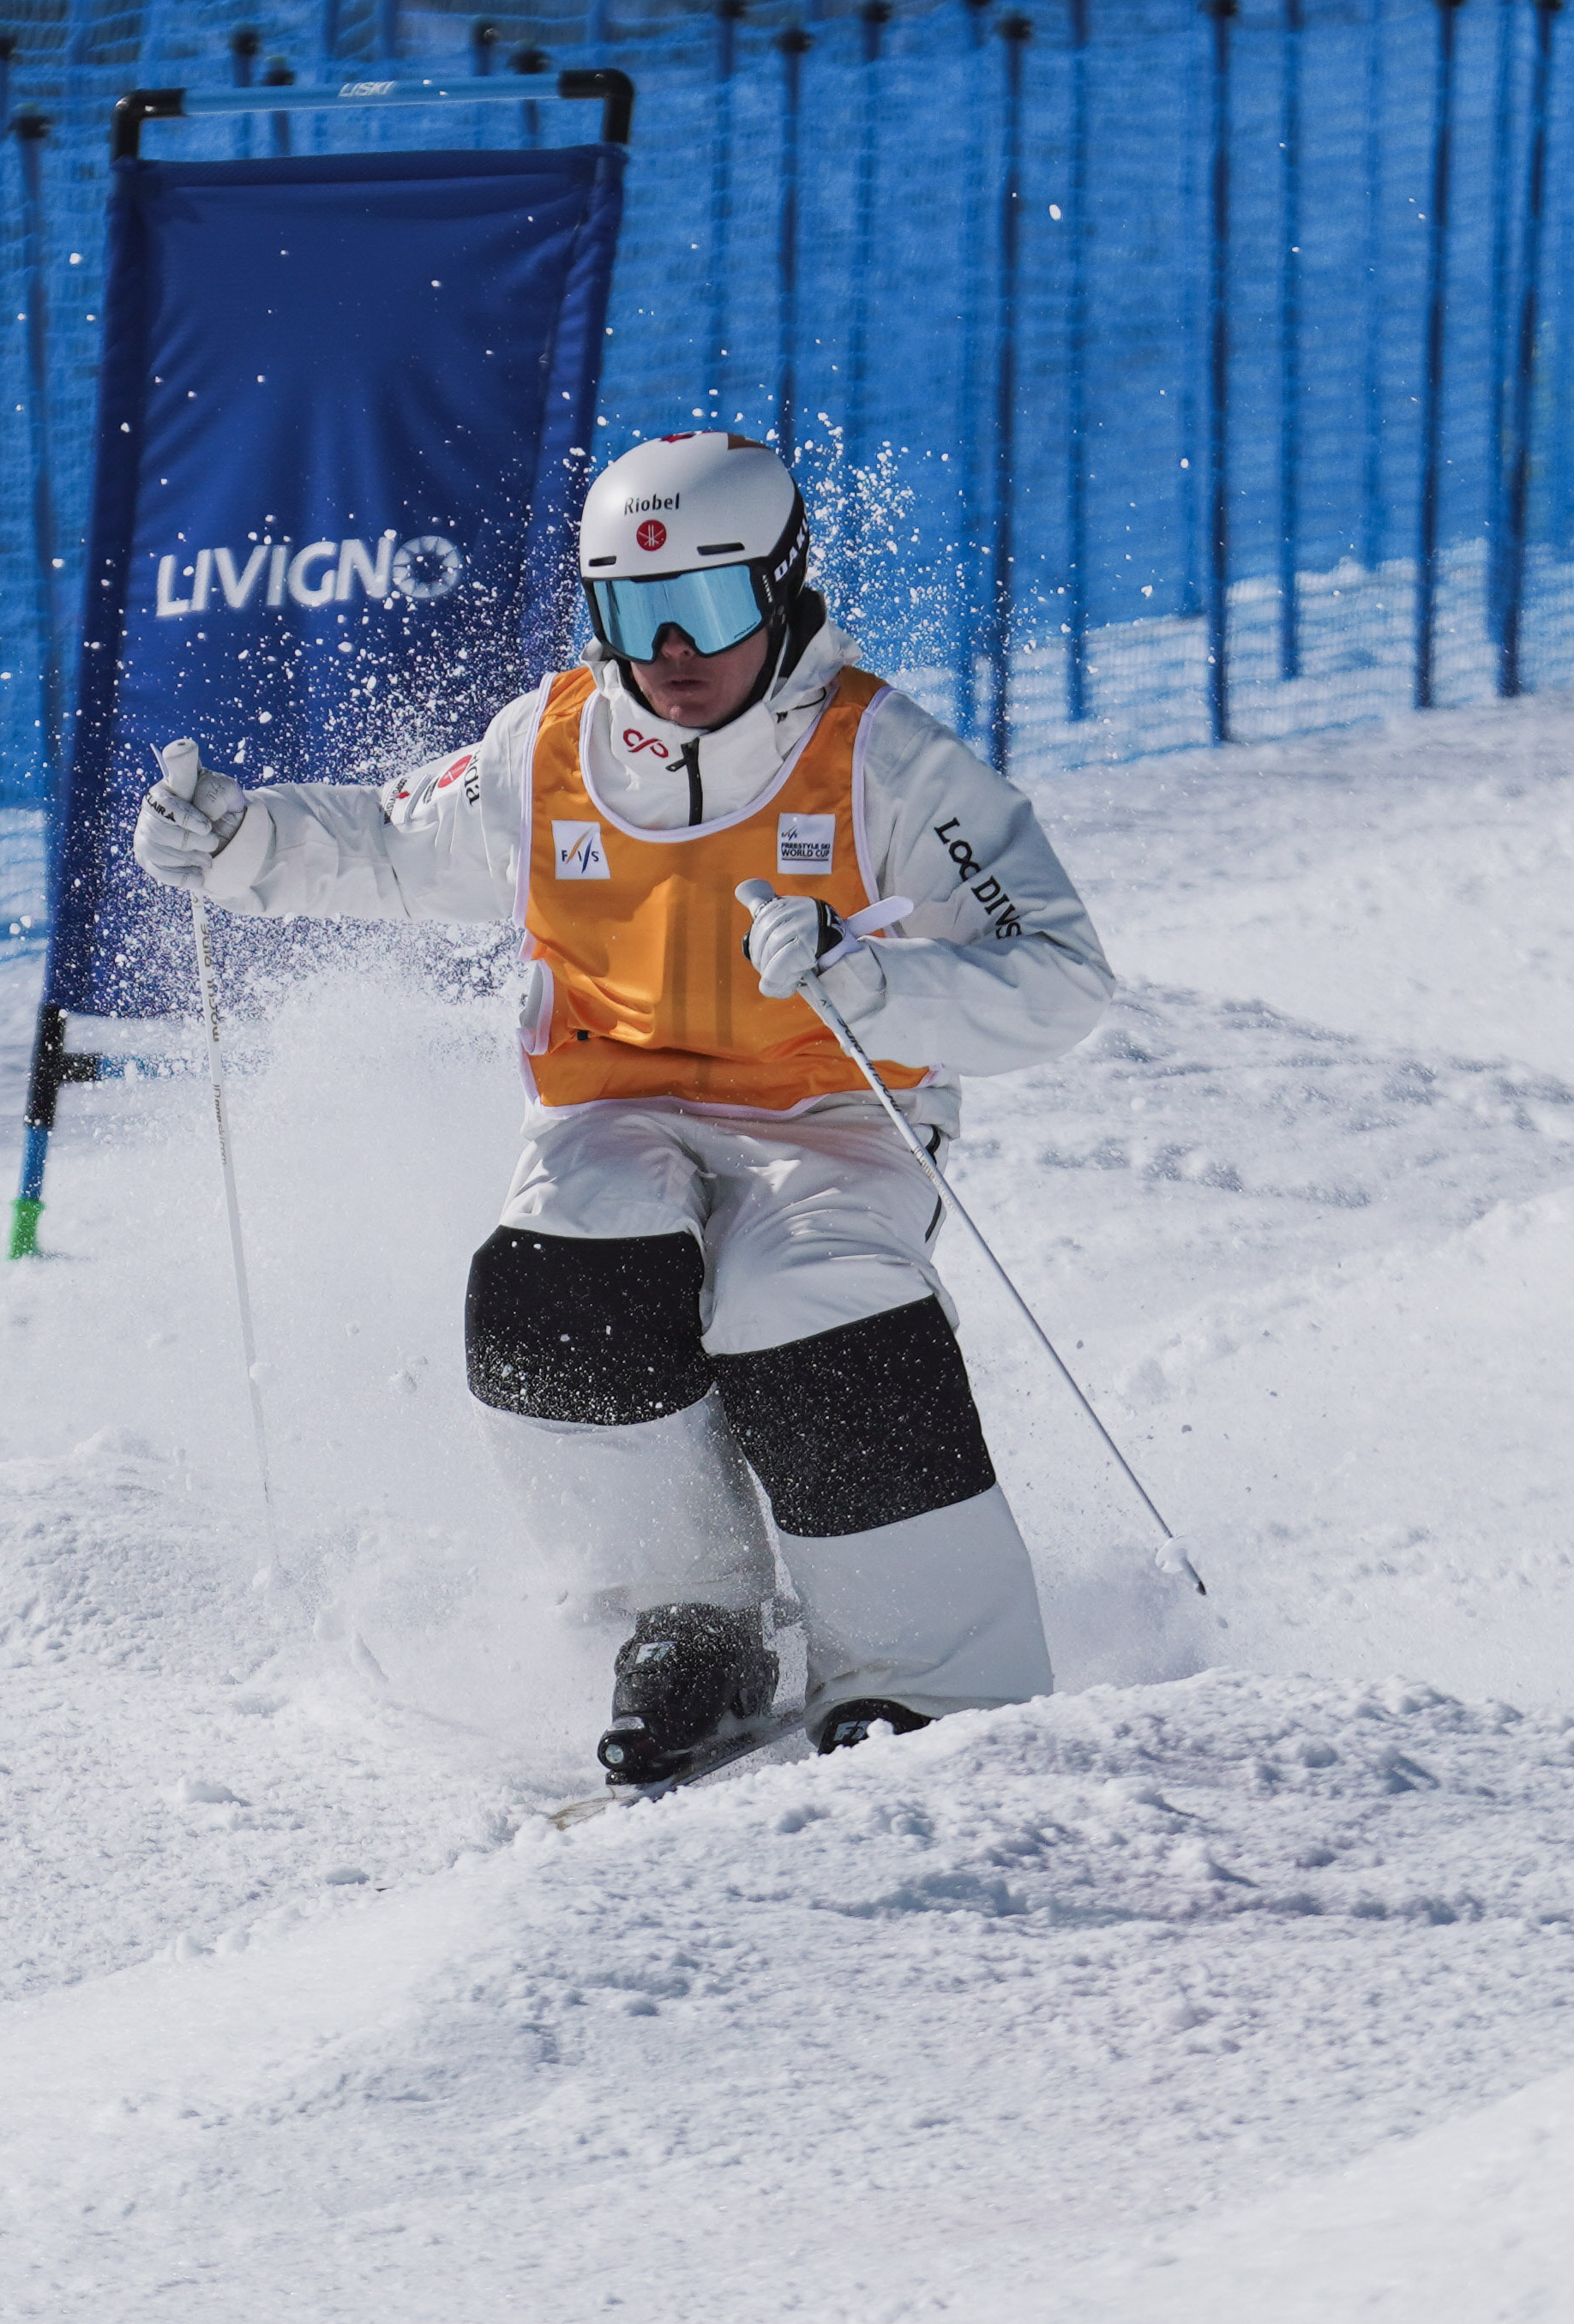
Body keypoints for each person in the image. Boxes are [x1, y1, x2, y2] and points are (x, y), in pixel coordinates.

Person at [130, 429, 1116, 1785]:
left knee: (807, 1305)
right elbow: (389, 845)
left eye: (709, 606)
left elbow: (1058, 977)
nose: (673, 651)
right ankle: (699, 1623)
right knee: (553, 1285)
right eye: (635, 614)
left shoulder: (879, 759)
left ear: (782, 590)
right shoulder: (546, 752)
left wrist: (868, 979)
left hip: (827, 1115)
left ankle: (935, 1684)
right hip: (617, 1110)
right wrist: (241, 843)